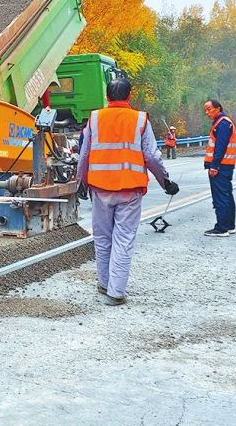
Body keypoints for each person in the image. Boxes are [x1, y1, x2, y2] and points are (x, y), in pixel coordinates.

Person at [77, 76, 179, 306]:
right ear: (129, 96)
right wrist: (165, 182)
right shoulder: (140, 120)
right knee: (123, 239)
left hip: (100, 188)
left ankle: (104, 283)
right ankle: (116, 291)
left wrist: (80, 183)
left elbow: (84, 154)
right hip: (129, 189)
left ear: (107, 96)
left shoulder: (94, 118)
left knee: (102, 238)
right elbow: (151, 156)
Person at [202, 99, 236, 237]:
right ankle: (229, 225)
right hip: (225, 165)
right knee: (227, 194)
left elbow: (220, 146)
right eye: (205, 110)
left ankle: (221, 228)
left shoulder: (222, 123)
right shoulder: (223, 122)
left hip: (221, 166)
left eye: (209, 109)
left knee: (220, 196)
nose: (207, 112)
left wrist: (214, 165)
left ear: (218, 108)